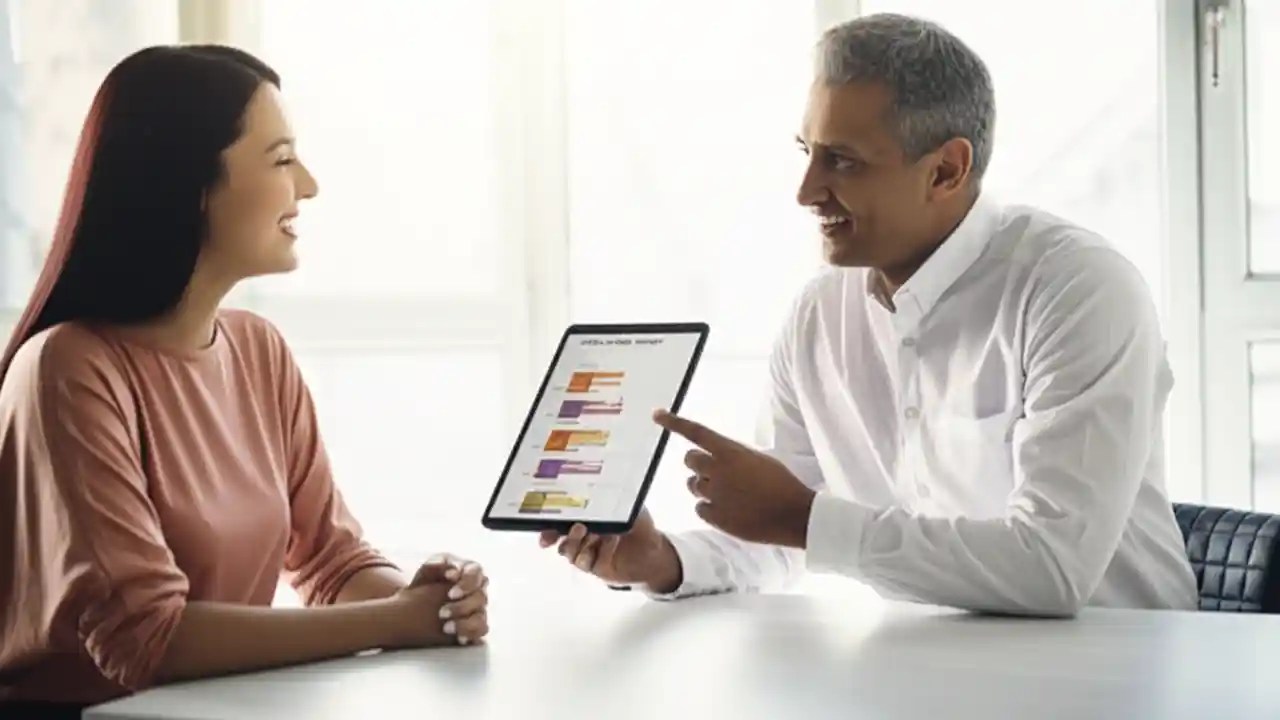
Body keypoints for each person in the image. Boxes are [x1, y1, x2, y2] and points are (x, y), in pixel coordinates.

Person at [543, 13, 1198, 615]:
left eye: (842, 161)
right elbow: (776, 531)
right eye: (807, 151)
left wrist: (803, 519)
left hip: (1120, 677)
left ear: (946, 170)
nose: (805, 191)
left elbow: (1051, 567)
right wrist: (661, 561)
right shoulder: (819, 316)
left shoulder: (1077, 290)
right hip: (928, 681)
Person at [0, 45, 489, 714]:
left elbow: (332, 561)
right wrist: (400, 621)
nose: (308, 185)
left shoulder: (259, 351)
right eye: (282, 159)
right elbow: (148, 639)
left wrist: (432, 601)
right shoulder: (68, 369)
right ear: (193, 185)